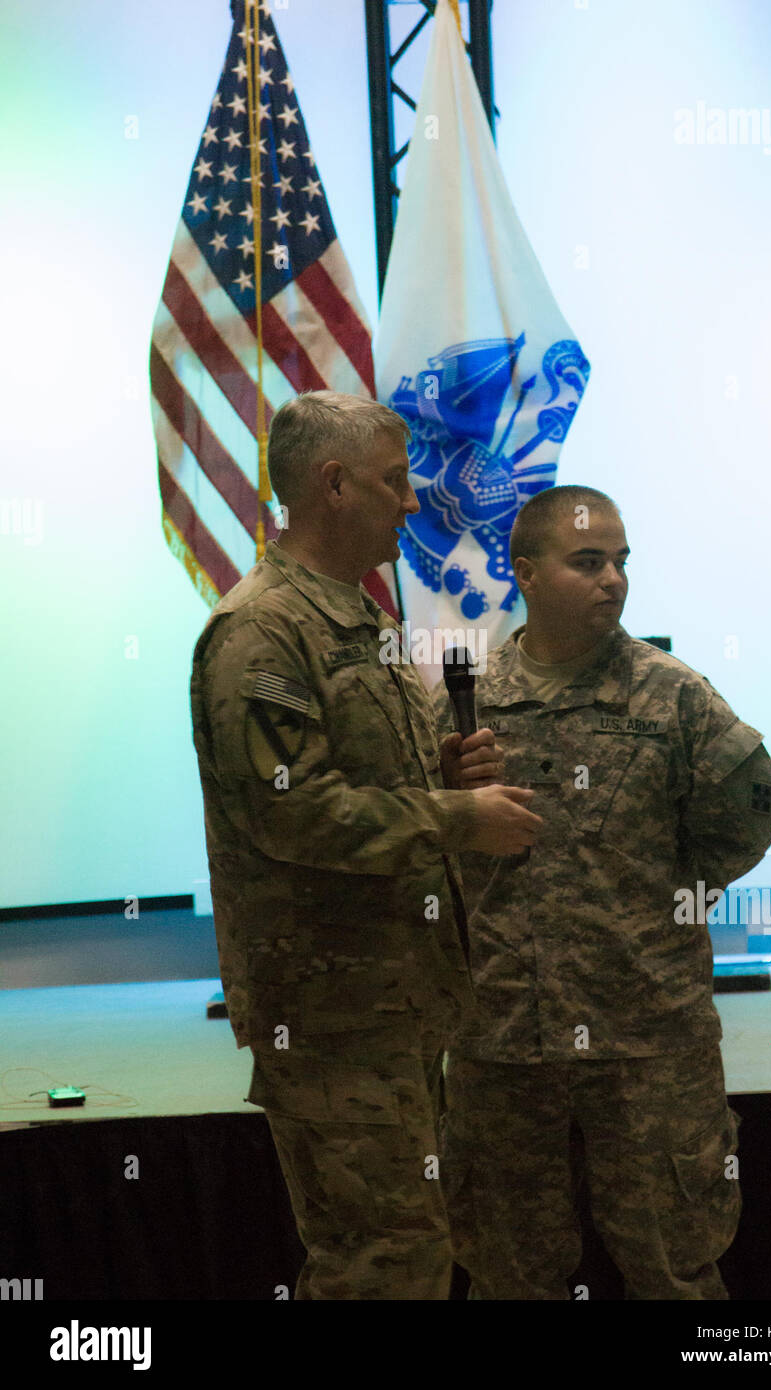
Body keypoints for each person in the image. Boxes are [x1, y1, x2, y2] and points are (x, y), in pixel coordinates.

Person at [188, 390, 541, 1300]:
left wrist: (447, 774)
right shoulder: (261, 631)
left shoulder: (361, 618)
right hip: (332, 1011)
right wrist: (459, 819)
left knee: (414, 1249)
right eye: (396, 482)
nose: (414, 503)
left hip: (401, 995)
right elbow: (292, 812)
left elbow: (377, 787)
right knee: (383, 1264)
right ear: (334, 485)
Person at [432, 484, 771, 1300]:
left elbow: (752, 818)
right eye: (587, 562)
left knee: (675, 1270)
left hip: (647, 1041)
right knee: (510, 1276)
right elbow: (423, 851)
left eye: (621, 563)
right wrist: (451, 804)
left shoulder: (674, 696)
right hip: (503, 1043)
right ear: (524, 571)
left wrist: (657, 902)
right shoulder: (463, 706)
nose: (613, 580)